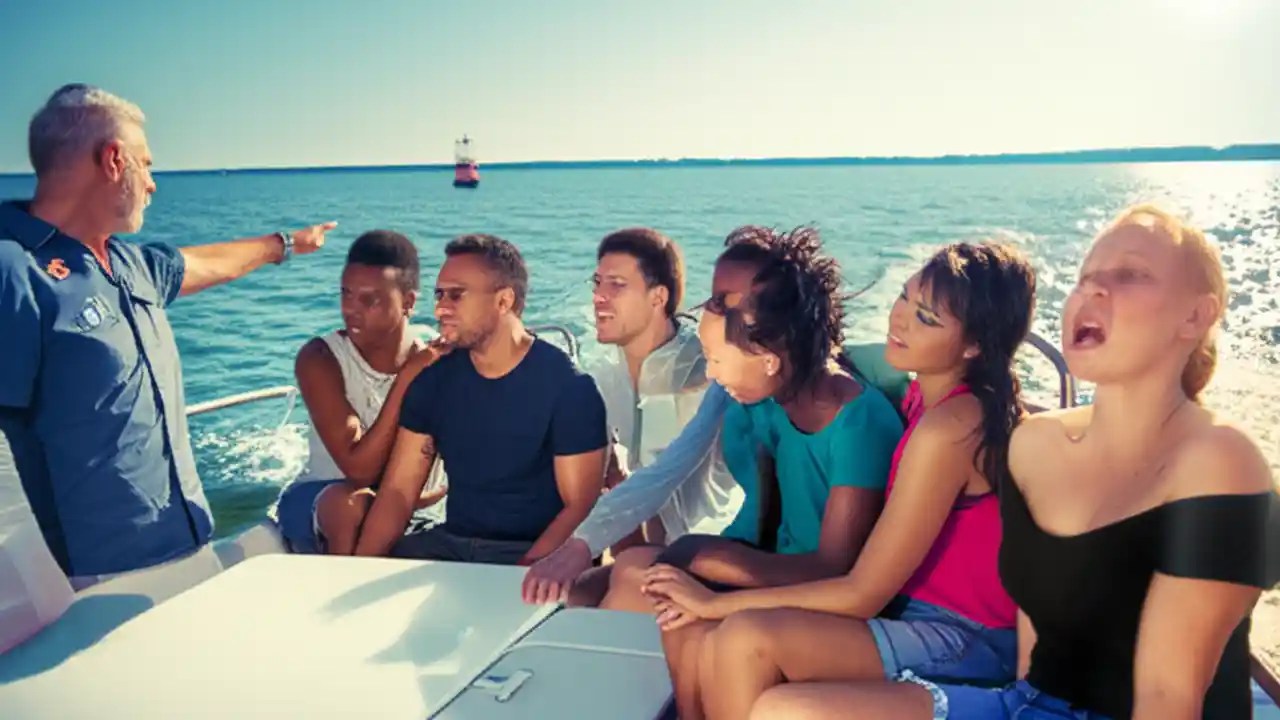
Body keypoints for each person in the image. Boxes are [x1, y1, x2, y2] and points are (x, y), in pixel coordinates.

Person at [748, 205, 1279, 720]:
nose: (1092, 288)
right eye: (1086, 275)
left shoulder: (1218, 459)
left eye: (1131, 275)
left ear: (1195, 316)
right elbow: (1032, 650)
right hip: (1032, 703)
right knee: (784, 710)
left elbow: (1168, 695)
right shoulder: (1037, 446)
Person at [641, 241, 1038, 720]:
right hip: (905, 614)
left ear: (975, 345)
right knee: (697, 626)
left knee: (745, 639)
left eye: (927, 319)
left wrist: (712, 604)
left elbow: (861, 592)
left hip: (959, 637)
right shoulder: (921, 396)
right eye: (904, 298)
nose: (900, 320)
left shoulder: (950, 428)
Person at [0, 83, 335, 583]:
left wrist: (285, 244)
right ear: (114, 160)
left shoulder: (131, 265)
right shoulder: (14, 270)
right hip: (90, 581)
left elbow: (203, 263)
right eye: (147, 163)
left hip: (188, 544)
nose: (153, 183)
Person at [604, 226, 904, 718]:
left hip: (829, 598)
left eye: (716, 360)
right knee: (645, 578)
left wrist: (707, 558)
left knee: (683, 610)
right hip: (774, 570)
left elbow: (837, 568)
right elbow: (763, 516)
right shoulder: (762, 399)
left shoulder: (858, 424)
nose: (712, 375)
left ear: (766, 356)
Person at [353, 234, 609, 565]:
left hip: (534, 554)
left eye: (456, 295)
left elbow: (580, 507)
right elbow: (398, 493)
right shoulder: (433, 383)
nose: (440, 308)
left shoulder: (570, 389)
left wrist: (522, 578)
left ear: (504, 301)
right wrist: (359, 569)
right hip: (452, 545)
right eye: (439, 294)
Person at [561, 228, 741, 603]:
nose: (598, 296)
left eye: (617, 284)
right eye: (597, 282)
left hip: (715, 554)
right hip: (654, 554)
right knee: (563, 598)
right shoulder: (604, 378)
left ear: (658, 297)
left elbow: (663, 475)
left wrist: (580, 547)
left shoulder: (707, 373)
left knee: (622, 585)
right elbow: (615, 479)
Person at [272, 230, 449, 555]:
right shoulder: (320, 358)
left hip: (419, 507)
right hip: (327, 498)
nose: (351, 309)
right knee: (354, 505)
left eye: (369, 300)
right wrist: (407, 377)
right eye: (346, 294)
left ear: (408, 302)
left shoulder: (437, 354)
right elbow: (358, 470)